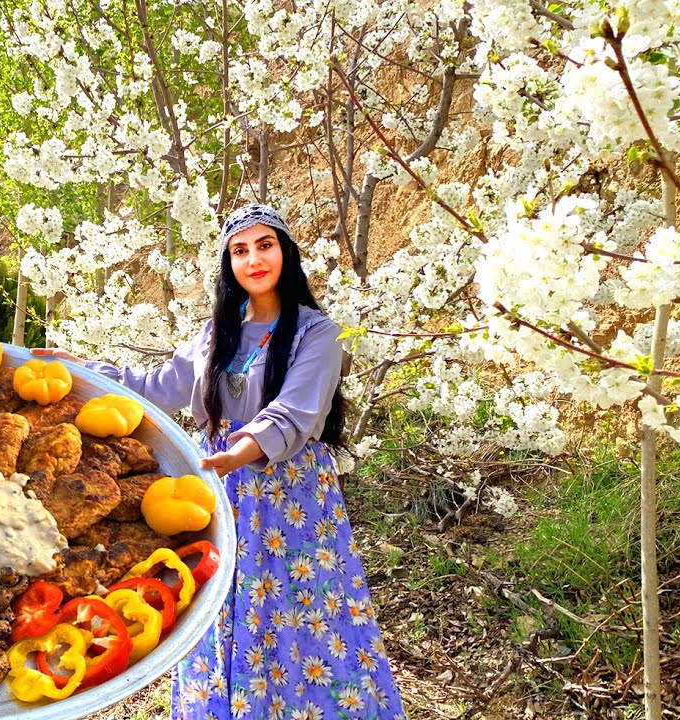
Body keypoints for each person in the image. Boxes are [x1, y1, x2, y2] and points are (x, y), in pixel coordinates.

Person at [32, 204, 406, 719]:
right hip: (213, 490)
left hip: (289, 494)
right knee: (214, 611)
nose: (254, 259)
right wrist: (86, 370)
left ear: (287, 252)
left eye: (265, 245)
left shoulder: (319, 333)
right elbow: (158, 387)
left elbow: (295, 410)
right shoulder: (219, 333)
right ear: (229, 263)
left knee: (297, 614)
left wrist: (241, 450)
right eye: (240, 250)